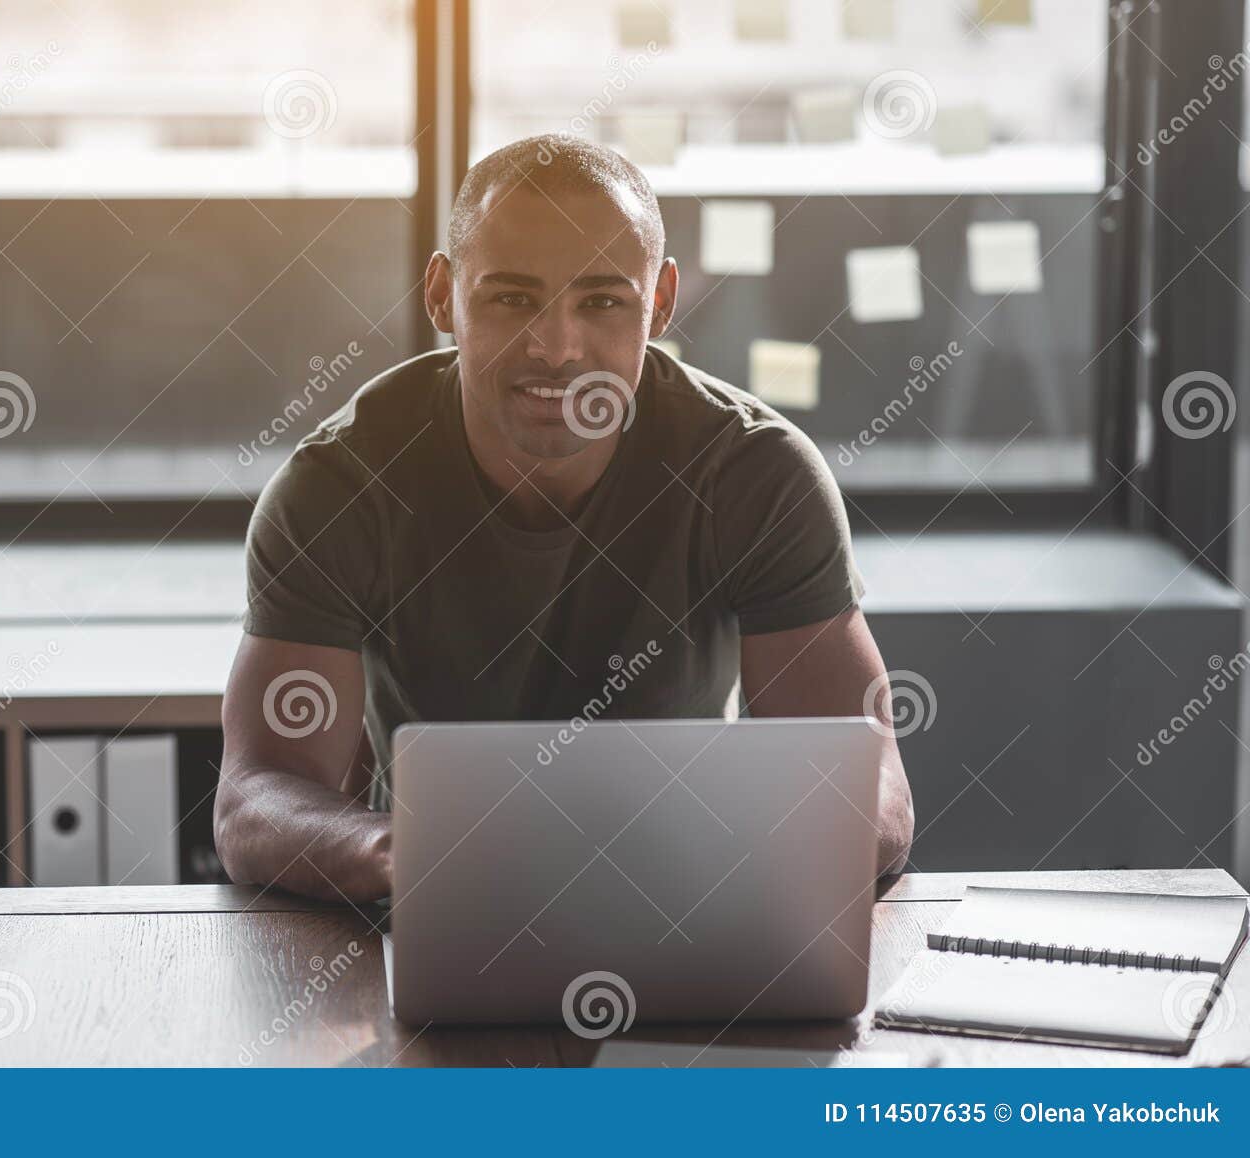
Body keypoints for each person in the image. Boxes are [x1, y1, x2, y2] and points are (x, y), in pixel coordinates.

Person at [215, 134, 914, 902]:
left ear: (661, 302)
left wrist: (735, 854)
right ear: (442, 294)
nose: (555, 348)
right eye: (512, 298)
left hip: (691, 905)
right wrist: (394, 851)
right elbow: (254, 799)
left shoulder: (755, 474)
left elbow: (875, 792)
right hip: (440, 904)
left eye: (603, 301)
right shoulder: (340, 486)